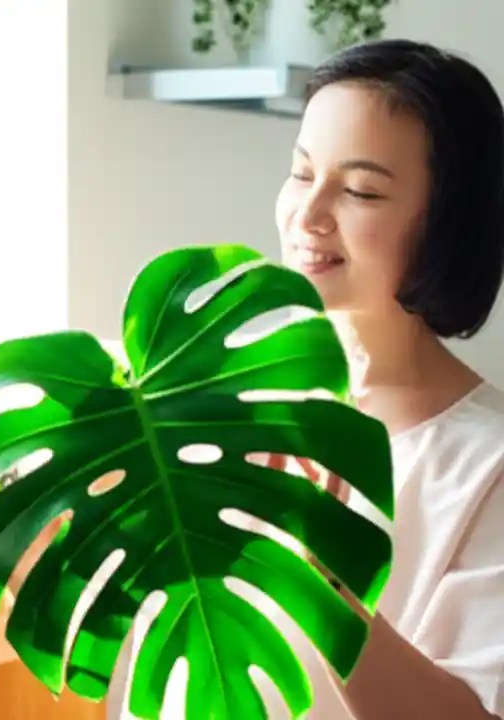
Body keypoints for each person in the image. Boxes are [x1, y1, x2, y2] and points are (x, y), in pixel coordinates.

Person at [107, 39, 504, 718]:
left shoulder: (485, 464)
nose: (308, 216)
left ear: (445, 225)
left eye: (360, 190)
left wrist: (324, 578)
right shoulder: (209, 410)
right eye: (301, 173)